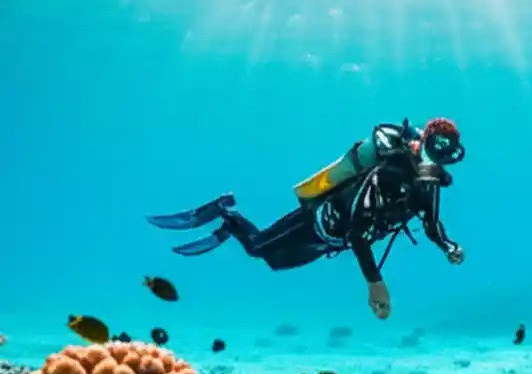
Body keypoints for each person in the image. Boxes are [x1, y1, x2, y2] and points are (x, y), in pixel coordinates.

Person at [147, 118, 465, 319]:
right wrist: (375, 285)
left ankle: (229, 224)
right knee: (258, 248)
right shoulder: (387, 173)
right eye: (427, 152)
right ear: (420, 144)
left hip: (330, 241)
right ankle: (226, 215)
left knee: (275, 263)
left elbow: (431, 224)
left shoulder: (426, 184)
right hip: (316, 222)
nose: (429, 164)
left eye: (439, 157)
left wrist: (449, 247)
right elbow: (357, 232)